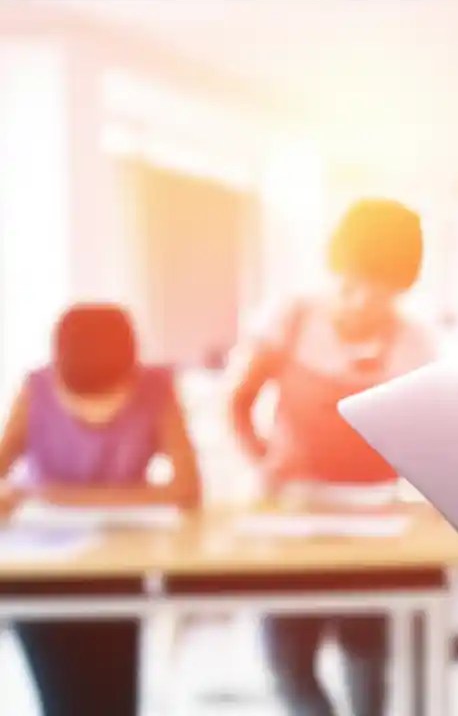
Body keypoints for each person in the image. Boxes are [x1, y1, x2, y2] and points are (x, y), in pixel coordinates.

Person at [227, 198, 434, 716]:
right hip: (290, 512)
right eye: (355, 283)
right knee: (289, 665)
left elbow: (426, 438)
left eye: (381, 290)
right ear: (337, 268)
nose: (364, 300)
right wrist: (261, 460)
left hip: (373, 519)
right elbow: (238, 402)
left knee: (368, 663)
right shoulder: (291, 318)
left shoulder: (413, 344)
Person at [0, 304, 201, 716]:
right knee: (61, 702)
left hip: (118, 563)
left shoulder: (156, 389)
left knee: (113, 700)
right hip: (42, 567)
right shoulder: (35, 388)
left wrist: (52, 494)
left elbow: (185, 490)